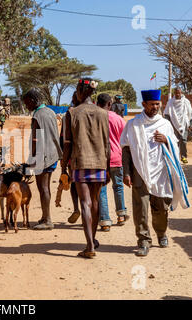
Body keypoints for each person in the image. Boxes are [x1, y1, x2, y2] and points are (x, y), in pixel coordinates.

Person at [121, 89, 190, 257]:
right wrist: (127, 173)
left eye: (157, 104)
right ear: (144, 104)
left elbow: (175, 145)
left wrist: (166, 140)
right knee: (140, 209)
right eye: (152, 104)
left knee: (161, 208)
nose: (155, 107)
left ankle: (161, 233)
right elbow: (126, 150)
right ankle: (143, 241)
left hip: (161, 173)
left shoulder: (165, 124)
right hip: (139, 173)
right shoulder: (133, 124)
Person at [62, 78, 110, 259]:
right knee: (95, 202)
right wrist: (107, 167)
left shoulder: (72, 113)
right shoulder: (103, 113)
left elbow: (67, 144)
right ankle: (93, 240)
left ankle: (89, 245)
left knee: (85, 203)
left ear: (81, 91)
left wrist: (63, 166)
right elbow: (107, 144)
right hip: (99, 163)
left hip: (80, 163)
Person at [23, 88, 62, 230]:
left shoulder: (37, 115)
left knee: (43, 187)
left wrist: (31, 158)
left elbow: (35, 139)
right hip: (53, 154)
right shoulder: (51, 112)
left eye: (27, 103)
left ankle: (48, 220)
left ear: (33, 101)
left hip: (42, 156)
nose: (27, 106)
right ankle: (45, 216)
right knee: (44, 187)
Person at [96, 93, 128, 232]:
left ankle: (104, 221)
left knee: (101, 189)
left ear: (97, 104)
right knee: (118, 186)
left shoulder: (94, 118)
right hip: (116, 158)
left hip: (100, 159)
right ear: (110, 104)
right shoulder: (119, 119)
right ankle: (121, 215)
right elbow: (125, 140)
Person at [57, 91, 81, 224]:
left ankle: (76, 208)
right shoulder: (93, 113)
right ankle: (90, 212)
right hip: (91, 158)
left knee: (74, 182)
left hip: (73, 157)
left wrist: (63, 163)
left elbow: (63, 140)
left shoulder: (68, 115)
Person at [163, 88, 192, 164]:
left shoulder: (186, 102)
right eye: (176, 93)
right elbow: (166, 114)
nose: (177, 94)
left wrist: (190, 123)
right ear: (174, 93)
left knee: (183, 141)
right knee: (175, 141)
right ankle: (175, 157)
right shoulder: (170, 102)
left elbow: (190, 113)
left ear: (181, 93)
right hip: (173, 124)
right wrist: (167, 124)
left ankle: (183, 157)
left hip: (184, 124)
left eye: (179, 93)